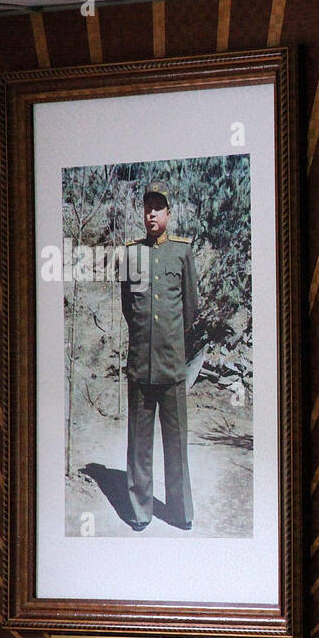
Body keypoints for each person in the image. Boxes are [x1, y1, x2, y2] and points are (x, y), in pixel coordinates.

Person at [120, 180, 199, 531]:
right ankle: (140, 510)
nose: (152, 213)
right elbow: (128, 307)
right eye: (147, 207)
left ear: (168, 213)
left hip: (171, 366)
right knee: (139, 445)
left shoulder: (181, 252)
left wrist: (168, 342)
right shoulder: (130, 254)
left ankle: (180, 511)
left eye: (158, 207)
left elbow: (191, 308)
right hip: (140, 365)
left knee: (176, 444)